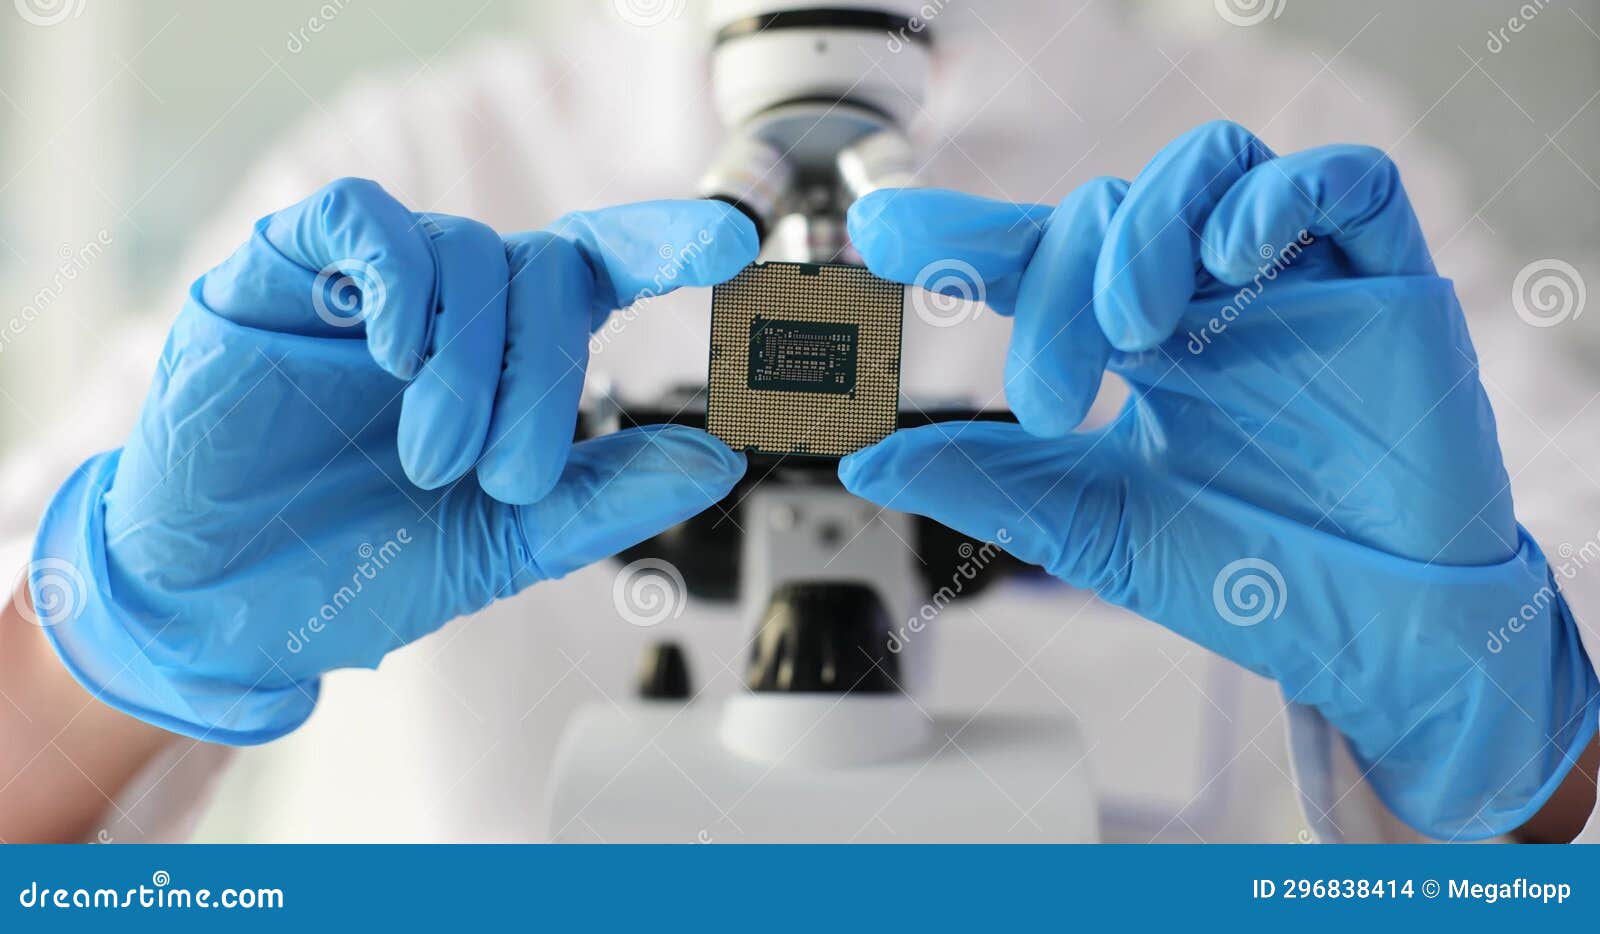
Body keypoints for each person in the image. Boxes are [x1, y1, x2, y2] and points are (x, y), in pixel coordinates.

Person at [0, 2, 1595, 843]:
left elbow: (1561, 784)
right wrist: (132, 636)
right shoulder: (407, 169)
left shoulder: (1287, 173)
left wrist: (1495, 715)